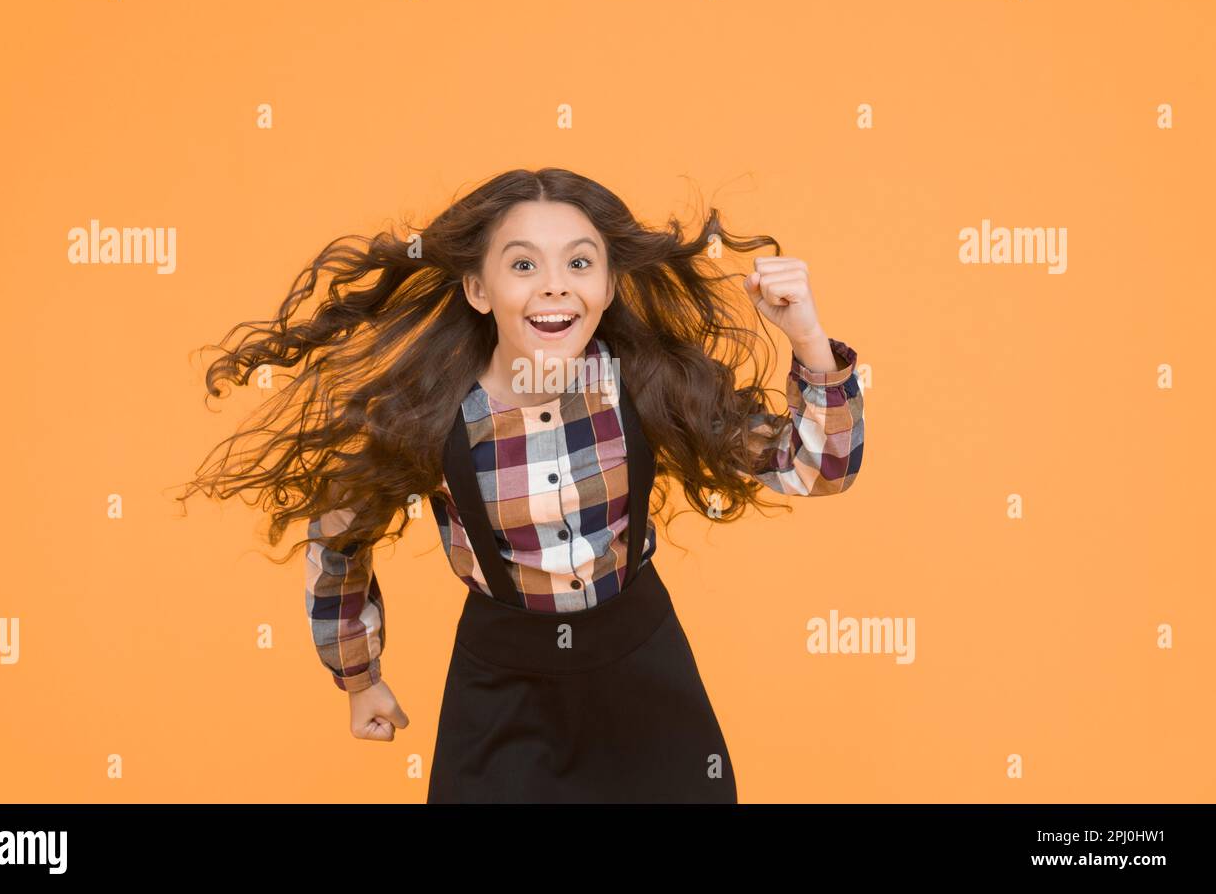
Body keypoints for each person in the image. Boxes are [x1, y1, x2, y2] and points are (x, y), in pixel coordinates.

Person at [184, 167, 864, 803]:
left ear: (608, 285)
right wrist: (360, 678)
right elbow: (338, 535)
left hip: (643, 674)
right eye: (522, 265)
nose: (554, 285)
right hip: (501, 690)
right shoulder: (430, 415)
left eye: (578, 262)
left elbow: (819, 469)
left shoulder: (649, 386)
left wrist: (808, 341)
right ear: (479, 290)